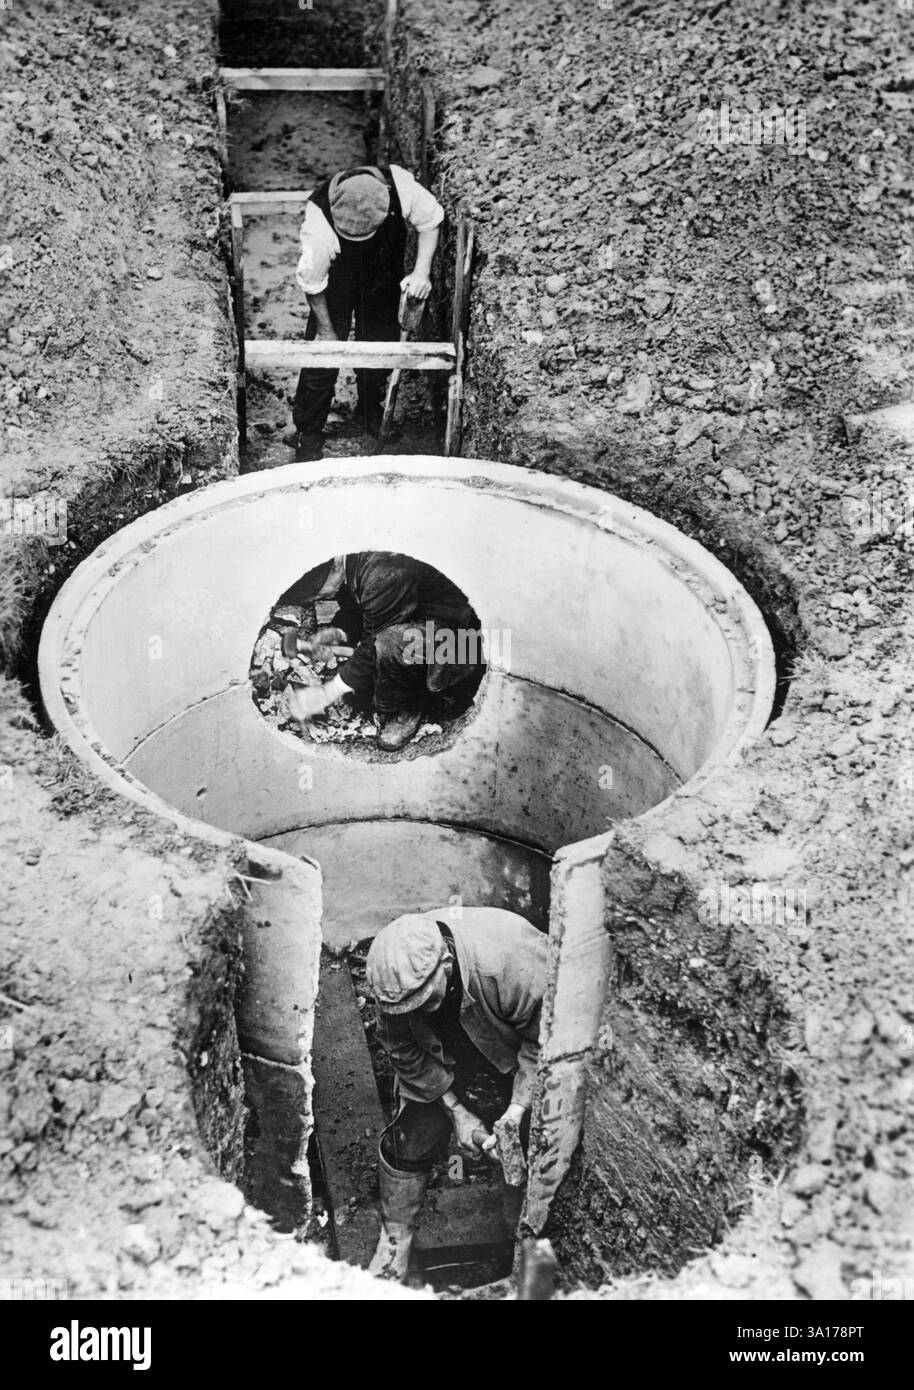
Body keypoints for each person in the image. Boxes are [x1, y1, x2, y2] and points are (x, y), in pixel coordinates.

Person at [363, 905, 548, 1281]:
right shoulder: (394, 983)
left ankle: (516, 1235)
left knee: (527, 1138)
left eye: (423, 1001)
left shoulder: (513, 966)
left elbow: (543, 1043)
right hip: (438, 1045)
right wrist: (457, 1111)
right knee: (412, 1135)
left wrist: (515, 1111)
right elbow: (404, 1052)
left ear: (445, 963)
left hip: (508, 1039)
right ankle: (396, 1238)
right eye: (405, 1008)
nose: (413, 1010)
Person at [283, 164, 444, 460]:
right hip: (336, 280)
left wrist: (422, 272)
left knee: (380, 343)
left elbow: (431, 221)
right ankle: (309, 433)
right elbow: (312, 281)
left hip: (382, 273)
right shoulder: (319, 222)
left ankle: (369, 410)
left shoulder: (401, 188)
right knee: (322, 355)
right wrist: (327, 331)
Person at [282, 551, 485, 751]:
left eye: (320, 593)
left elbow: (374, 643)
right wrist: (339, 633)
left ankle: (407, 707)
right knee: (373, 665)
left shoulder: (383, 573)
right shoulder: (351, 564)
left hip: (458, 638)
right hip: (416, 618)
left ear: (334, 567)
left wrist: (327, 693)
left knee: (390, 645)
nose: (323, 597)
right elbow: (358, 609)